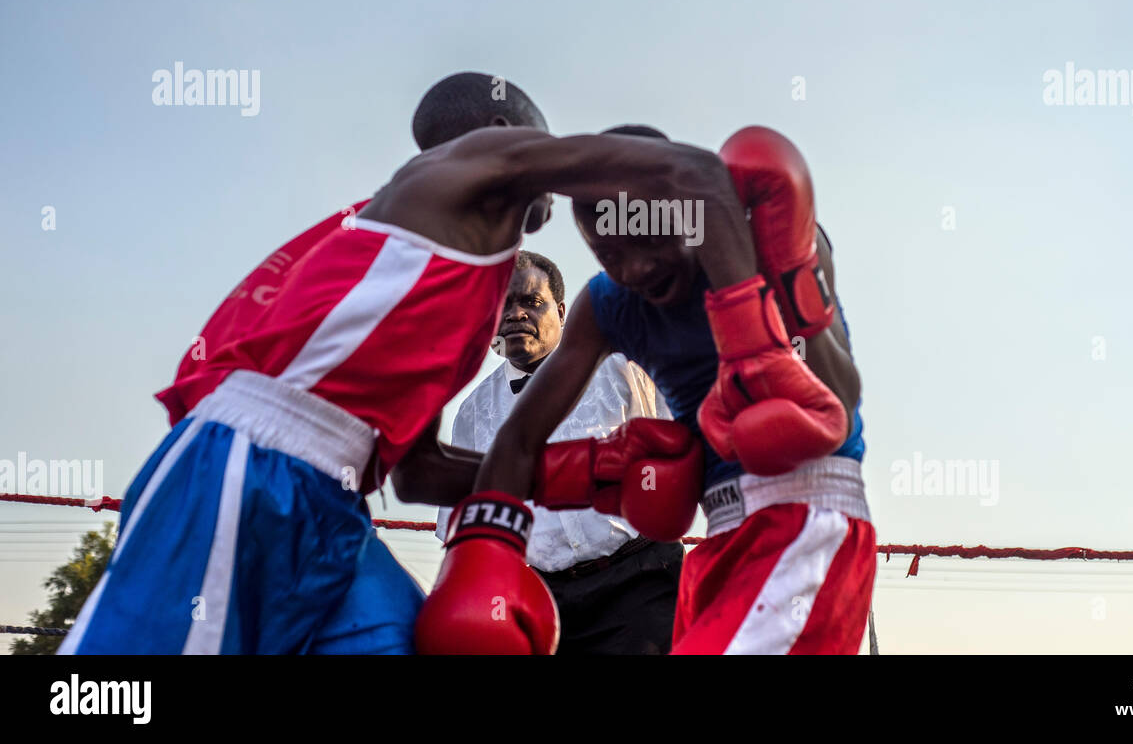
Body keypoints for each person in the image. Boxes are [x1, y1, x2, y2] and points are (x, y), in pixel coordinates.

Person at [60, 76, 758, 655]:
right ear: (498, 127)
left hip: (337, 500)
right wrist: (750, 330)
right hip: (250, 460)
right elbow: (683, 169)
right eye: (539, 138)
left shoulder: (448, 277)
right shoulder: (460, 169)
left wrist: (588, 472)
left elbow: (417, 471)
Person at [442, 124, 876, 654]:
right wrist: (485, 554)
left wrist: (758, 339)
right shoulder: (608, 304)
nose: (635, 268)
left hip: (808, 524)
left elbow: (841, 399)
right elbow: (516, 443)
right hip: (721, 537)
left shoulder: (764, 241)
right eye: (608, 253)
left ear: (686, 208)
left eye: (646, 241)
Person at [432, 250, 682, 654]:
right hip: (544, 599)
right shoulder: (473, 412)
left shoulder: (623, 365)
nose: (515, 314)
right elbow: (459, 525)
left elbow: (684, 440)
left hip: (641, 578)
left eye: (531, 302)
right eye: (504, 305)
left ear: (561, 311)